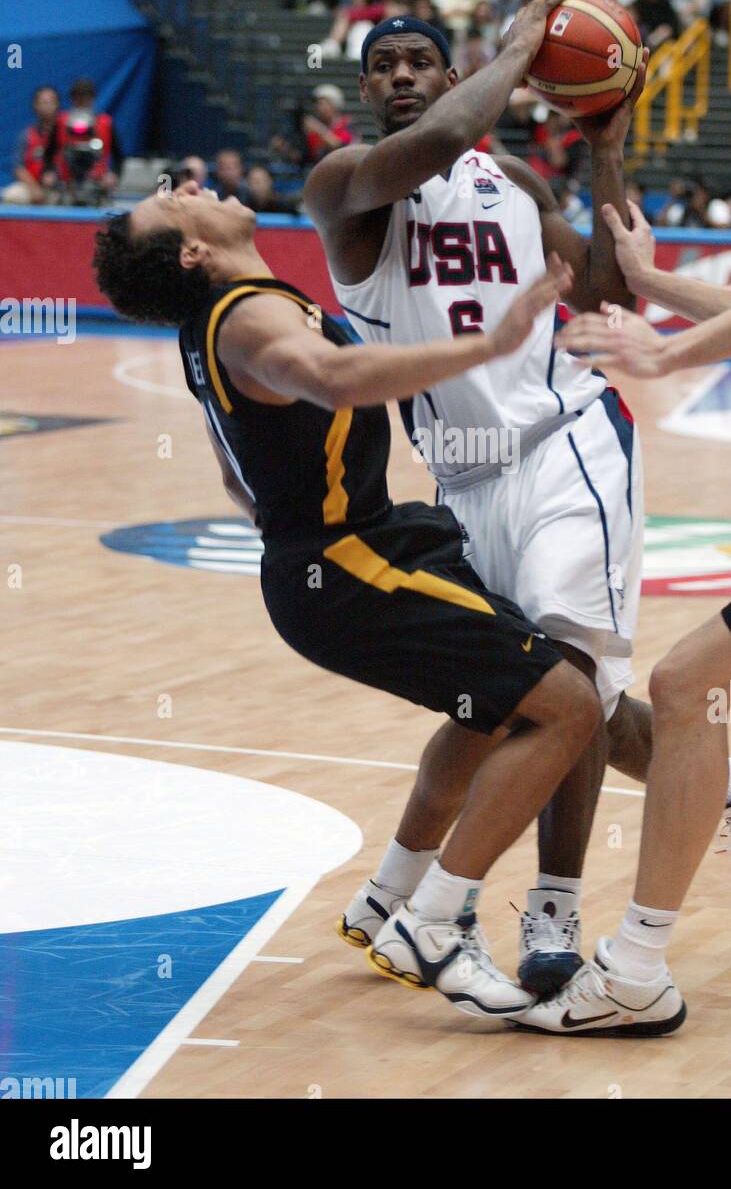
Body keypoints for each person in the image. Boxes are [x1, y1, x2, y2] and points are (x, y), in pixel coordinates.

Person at [306, 0, 731, 998]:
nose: (399, 75)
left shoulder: (509, 177)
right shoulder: (345, 187)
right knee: (533, 701)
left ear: (445, 69)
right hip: (464, 479)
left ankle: (538, 906)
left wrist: (603, 148)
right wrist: (517, 52)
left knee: (564, 679)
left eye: (420, 61)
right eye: (381, 64)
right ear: (363, 88)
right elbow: (441, 134)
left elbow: (606, 300)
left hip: (566, 442)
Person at [91, 179, 602, 1022]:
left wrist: (297, 540)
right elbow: (331, 375)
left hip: (345, 552)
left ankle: (384, 899)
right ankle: (433, 924)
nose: (183, 184)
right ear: (193, 251)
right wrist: (492, 341)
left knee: (487, 708)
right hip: (350, 562)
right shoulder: (245, 317)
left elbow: (233, 474)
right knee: (567, 707)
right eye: (172, 201)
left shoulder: (216, 323)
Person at [516, 0, 731, 1035]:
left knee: (681, 685)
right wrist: (656, 283)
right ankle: (633, 965)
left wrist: (661, 351)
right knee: (684, 686)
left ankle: (633, 967)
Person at [8, 85, 59, 204]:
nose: (47, 106)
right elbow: (18, 167)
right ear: (35, 106)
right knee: (11, 195)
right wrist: (35, 188)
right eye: (43, 102)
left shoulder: (65, 134)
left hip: (60, 189)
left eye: (51, 102)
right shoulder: (26, 135)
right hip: (31, 188)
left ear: (57, 105)